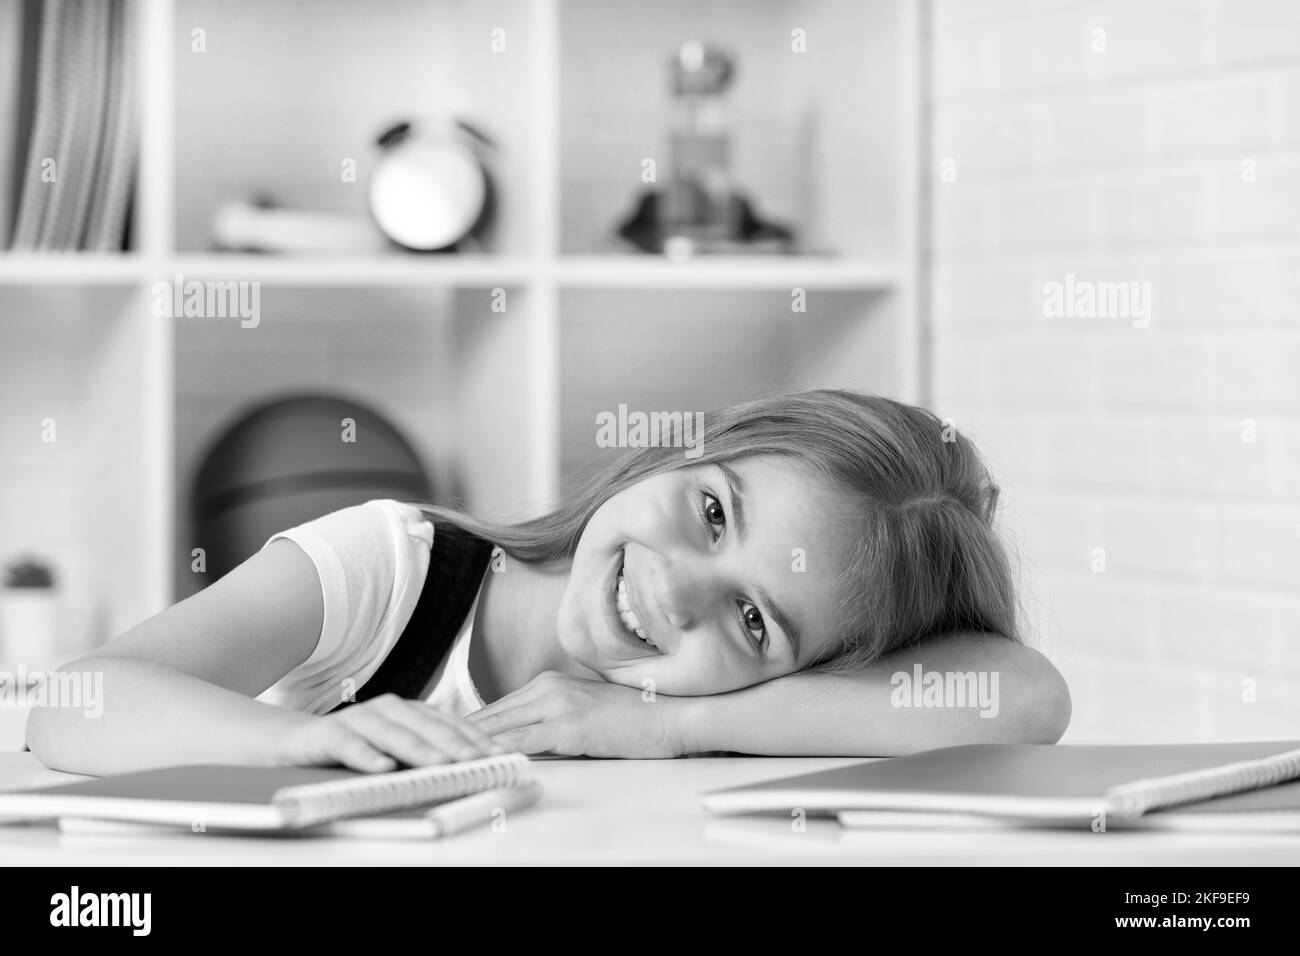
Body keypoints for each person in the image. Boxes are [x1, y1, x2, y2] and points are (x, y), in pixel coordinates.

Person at [27, 390, 1069, 775]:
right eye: (713, 512)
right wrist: (294, 741)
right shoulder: (392, 567)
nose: (677, 592)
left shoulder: (696, 710)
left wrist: (664, 725)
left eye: (754, 618)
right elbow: (73, 707)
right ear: (684, 451)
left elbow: (1026, 698)